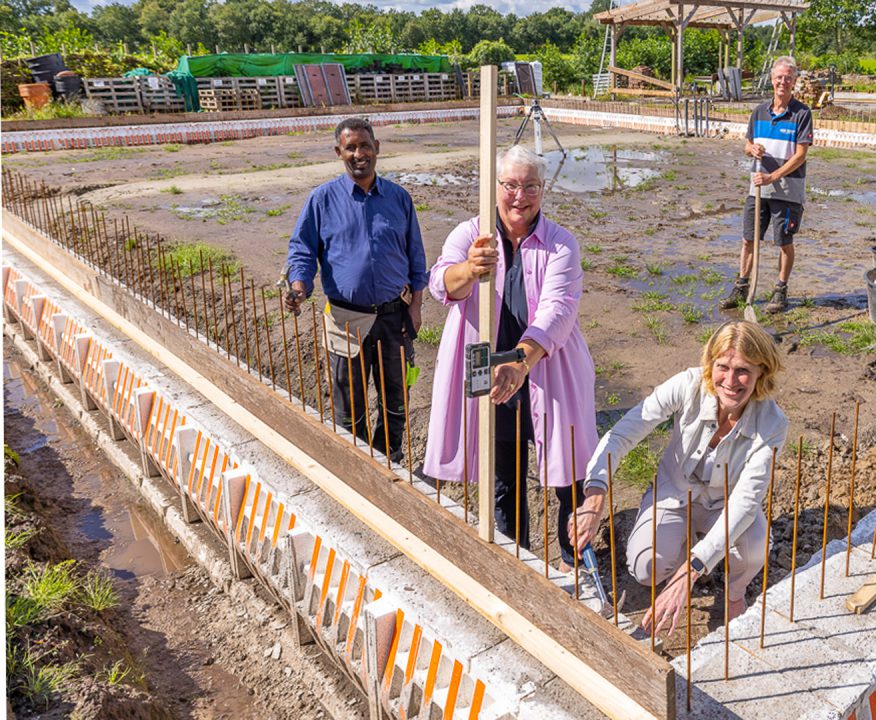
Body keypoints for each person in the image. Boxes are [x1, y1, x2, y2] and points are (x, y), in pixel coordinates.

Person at [422, 144, 597, 568]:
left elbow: (558, 309)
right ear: (495, 187)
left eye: (531, 186)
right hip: (486, 364)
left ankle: (574, 559)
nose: (520, 196)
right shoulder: (470, 234)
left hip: (546, 365)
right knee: (503, 471)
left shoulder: (560, 244)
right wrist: (469, 268)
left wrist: (521, 361)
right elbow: (441, 285)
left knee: (568, 468)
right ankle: (513, 561)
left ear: (543, 190)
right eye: (511, 185)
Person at [575, 322, 787, 637]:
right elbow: (624, 433)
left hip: (725, 506)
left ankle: (734, 592)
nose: (730, 381)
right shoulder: (688, 385)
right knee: (646, 567)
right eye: (722, 367)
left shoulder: (772, 423)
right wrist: (595, 495)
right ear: (710, 364)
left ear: (762, 372)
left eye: (742, 370)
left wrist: (691, 571)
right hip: (674, 495)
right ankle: (687, 548)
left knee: (755, 548)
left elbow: (745, 501)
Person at [286, 117, 427, 463]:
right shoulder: (322, 200)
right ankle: (356, 462)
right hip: (346, 320)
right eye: (350, 147)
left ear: (377, 148)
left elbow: (416, 256)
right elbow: (302, 250)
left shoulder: (399, 198)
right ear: (339, 152)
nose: (358, 153)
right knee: (349, 402)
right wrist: (299, 286)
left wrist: (416, 307)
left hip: (395, 317)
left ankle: (388, 457)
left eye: (365, 145)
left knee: (397, 397)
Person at [720, 56, 814, 315]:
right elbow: (746, 145)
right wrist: (752, 149)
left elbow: (800, 155)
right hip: (757, 188)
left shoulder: (802, 114)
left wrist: (774, 177)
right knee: (748, 239)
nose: (783, 82)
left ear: (793, 82)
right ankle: (741, 287)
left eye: (788, 78)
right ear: (772, 80)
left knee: (783, 241)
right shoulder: (759, 112)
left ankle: (780, 290)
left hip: (787, 190)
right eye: (779, 77)